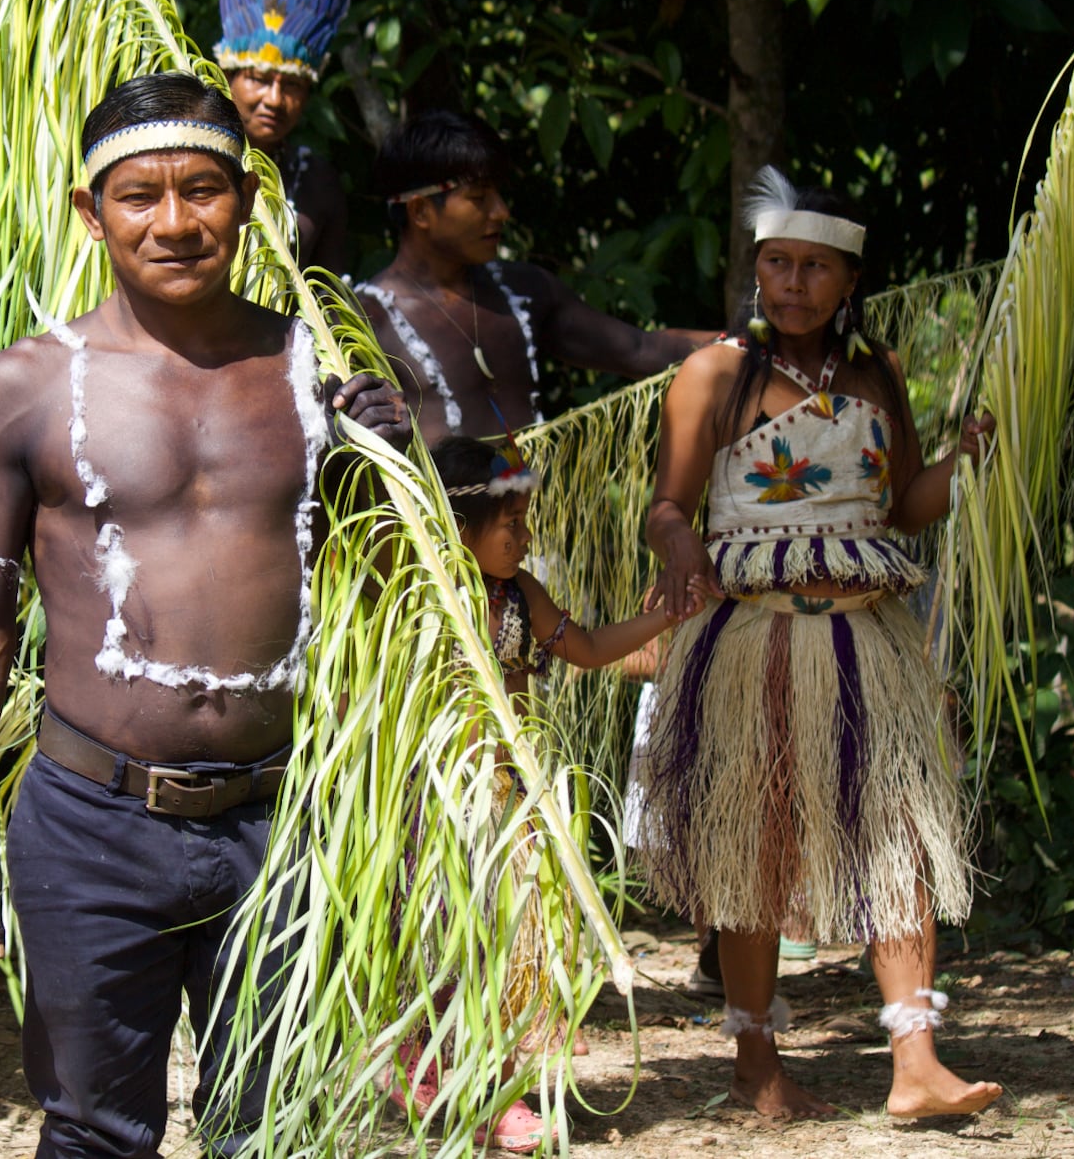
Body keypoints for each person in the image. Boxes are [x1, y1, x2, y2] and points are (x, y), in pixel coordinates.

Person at [0, 71, 410, 1159]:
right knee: (95, 1133)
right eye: (139, 197)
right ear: (88, 214)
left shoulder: (316, 374)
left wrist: (391, 461)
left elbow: (396, 593)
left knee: (270, 1133)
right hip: (90, 824)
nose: (177, 224)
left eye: (204, 191)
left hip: (278, 825)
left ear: (248, 201)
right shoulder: (26, 386)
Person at [637, 167, 1003, 1121]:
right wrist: (679, 544)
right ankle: (755, 1066)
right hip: (754, 632)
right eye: (776, 264)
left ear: (849, 280)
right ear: (756, 270)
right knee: (755, 840)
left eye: (814, 268)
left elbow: (905, 505)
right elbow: (667, 505)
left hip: (868, 634)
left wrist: (964, 463)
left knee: (902, 837)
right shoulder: (715, 373)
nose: (793, 283)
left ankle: (917, 1063)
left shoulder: (876, 375)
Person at [391, 437, 703, 1152]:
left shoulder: (520, 594)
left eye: (527, 522)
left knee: (506, 943)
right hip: (433, 798)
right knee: (444, 940)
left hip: (510, 800)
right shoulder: (417, 591)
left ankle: (499, 1088)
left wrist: (666, 616)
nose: (525, 538)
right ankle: (428, 1061)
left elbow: (587, 649)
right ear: (459, 527)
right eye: (512, 525)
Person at [359, 110, 715, 443]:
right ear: (421, 211)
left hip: (542, 507)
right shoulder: (363, 320)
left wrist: (749, 340)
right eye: (479, 197)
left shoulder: (523, 291)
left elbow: (640, 350)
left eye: (498, 194)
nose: (502, 212)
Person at [215, 0, 352, 275]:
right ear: (229, 76)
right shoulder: (186, 158)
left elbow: (335, 299)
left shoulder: (317, 180)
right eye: (258, 78)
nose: (275, 99)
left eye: (291, 84)